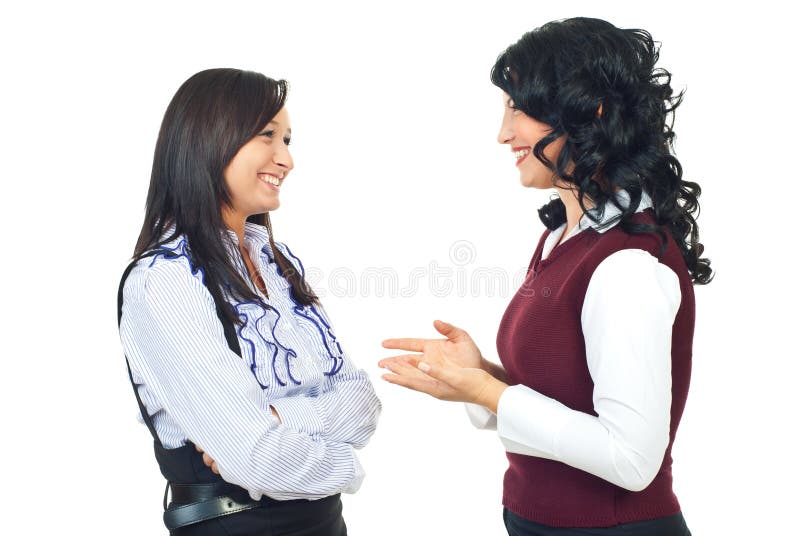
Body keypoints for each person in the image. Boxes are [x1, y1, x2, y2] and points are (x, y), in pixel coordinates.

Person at [379, 17, 710, 536]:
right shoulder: (564, 240)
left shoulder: (626, 264)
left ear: (589, 112)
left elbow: (631, 459)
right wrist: (481, 377)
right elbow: (570, 400)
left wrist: (491, 395)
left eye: (520, 108)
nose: (503, 133)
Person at [117, 68, 381, 535]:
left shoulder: (278, 264)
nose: (287, 159)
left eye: (288, 140)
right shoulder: (166, 280)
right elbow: (255, 457)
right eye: (267, 136)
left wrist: (282, 416)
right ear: (210, 139)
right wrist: (347, 468)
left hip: (325, 524)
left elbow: (361, 401)